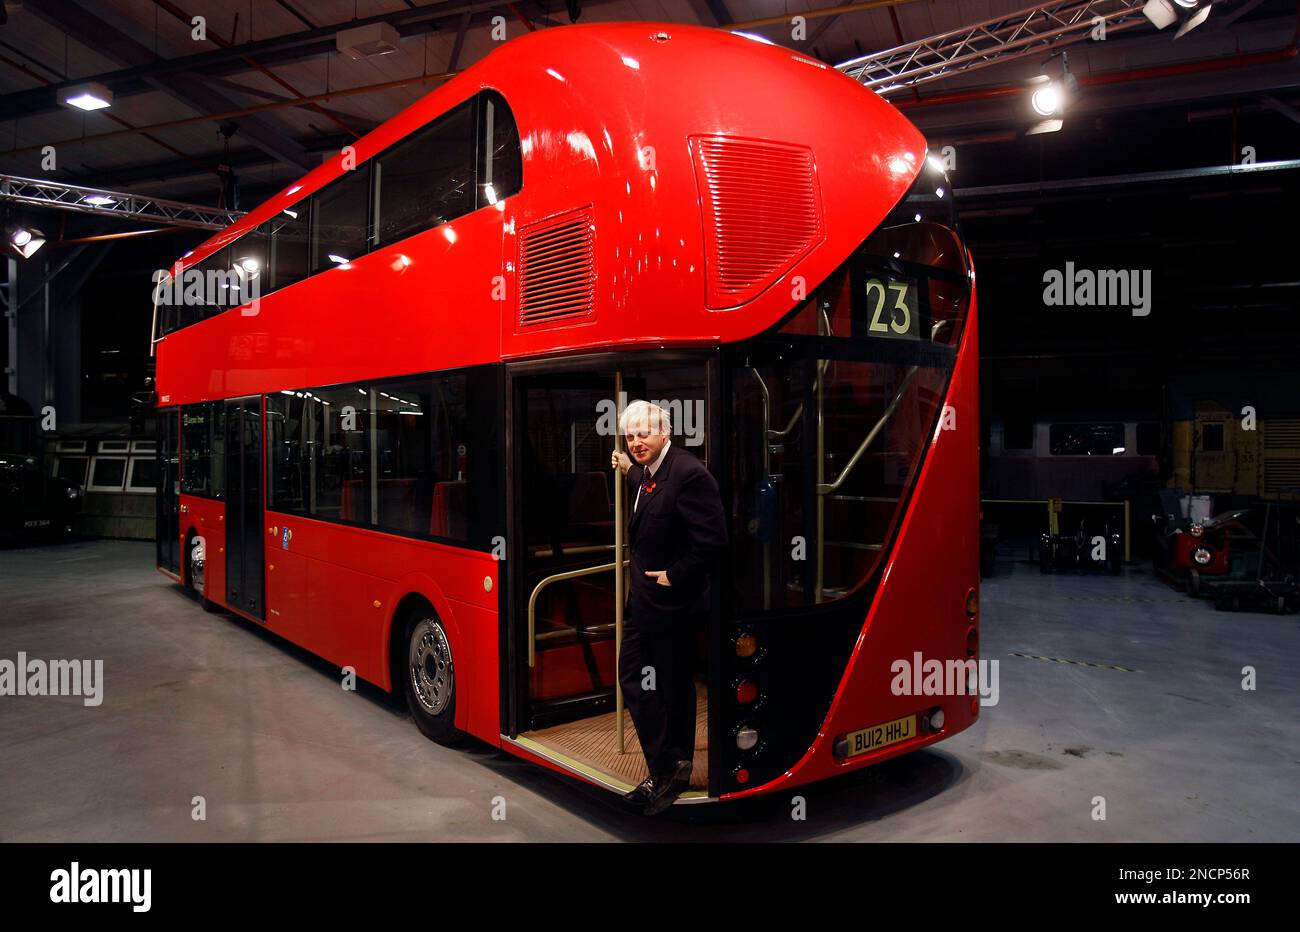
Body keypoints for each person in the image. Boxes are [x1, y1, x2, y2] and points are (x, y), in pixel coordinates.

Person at [610, 400, 727, 815]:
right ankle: (667, 765)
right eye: (631, 435)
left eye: (645, 433)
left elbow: (712, 543)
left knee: (673, 688)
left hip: (673, 603)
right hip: (643, 605)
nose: (637, 441)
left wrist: (673, 576)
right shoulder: (648, 473)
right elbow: (647, 489)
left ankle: (671, 770)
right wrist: (626, 469)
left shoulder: (689, 474)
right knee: (636, 680)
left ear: (665, 432)